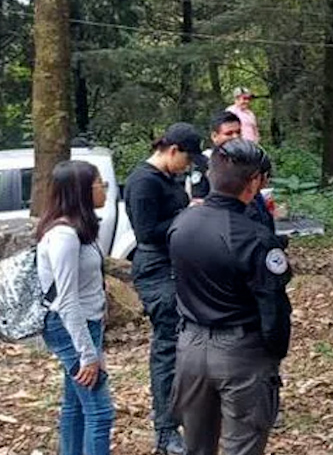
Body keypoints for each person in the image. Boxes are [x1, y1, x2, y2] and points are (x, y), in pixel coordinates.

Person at [169, 139, 292, 455]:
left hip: (190, 348)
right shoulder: (256, 239)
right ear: (254, 183)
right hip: (241, 352)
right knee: (243, 446)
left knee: (196, 447)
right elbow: (273, 308)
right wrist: (273, 355)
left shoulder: (182, 224)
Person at [125, 123, 201, 455]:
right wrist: (188, 214)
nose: (188, 166)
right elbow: (147, 232)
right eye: (187, 159)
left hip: (177, 265)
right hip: (155, 269)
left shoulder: (168, 178)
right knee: (167, 346)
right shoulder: (142, 182)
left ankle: (188, 410)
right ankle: (165, 428)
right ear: (172, 151)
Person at [35, 161, 115, 455]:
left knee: (76, 405)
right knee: (100, 412)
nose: (104, 188)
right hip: (68, 327)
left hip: (85, 324)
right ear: (80, 190)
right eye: (99, 183)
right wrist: (87, 354)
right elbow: (67, 300)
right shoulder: (63, 236)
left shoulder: (81, 230)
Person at [187, 111, 274, 232]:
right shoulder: (204, 163)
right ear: (214, 136)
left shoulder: (248, 158)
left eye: (238, 132)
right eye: (228, 133)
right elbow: (199, 201)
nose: (235, 137)